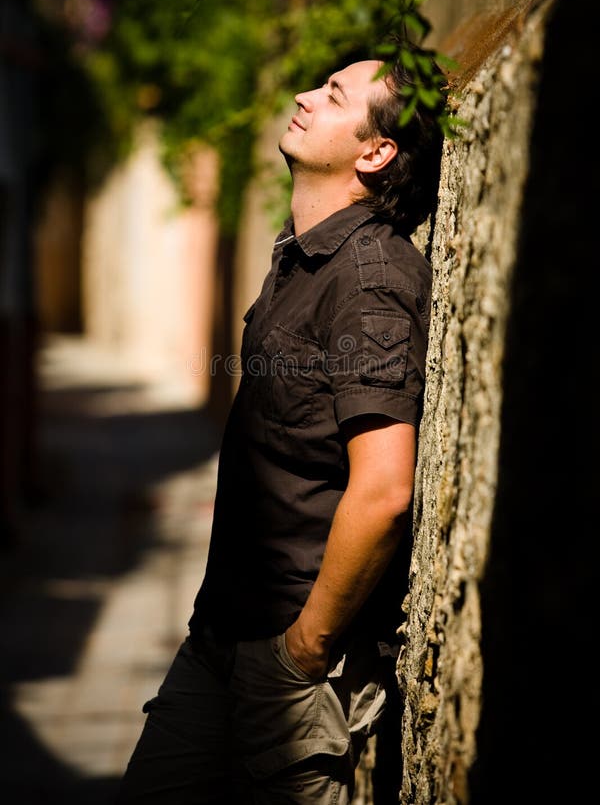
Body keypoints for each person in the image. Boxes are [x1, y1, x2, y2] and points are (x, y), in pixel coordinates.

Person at [116, 43, 444, 804]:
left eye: (334, 95)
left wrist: (304, 651)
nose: (304, 95)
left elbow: (386, 489)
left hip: (289, 660)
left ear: (377, 151)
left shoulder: (370, 283)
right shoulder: (304, 258)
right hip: (221, 632)